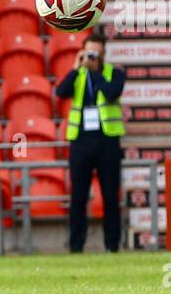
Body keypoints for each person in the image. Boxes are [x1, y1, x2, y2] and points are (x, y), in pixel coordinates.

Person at [53, 31, 126, 253]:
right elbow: (61, 92)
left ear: (104, 52)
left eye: (96, 52)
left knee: (110, 196)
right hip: (81, 142)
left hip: (107, 142)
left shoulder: (115, 73)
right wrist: (76, 68)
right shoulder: (79, 75)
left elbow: (112, 93)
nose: (92, 56)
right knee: (78, 197)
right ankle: (76, 247)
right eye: (89, 52)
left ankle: (112, 246)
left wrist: (98, 74)